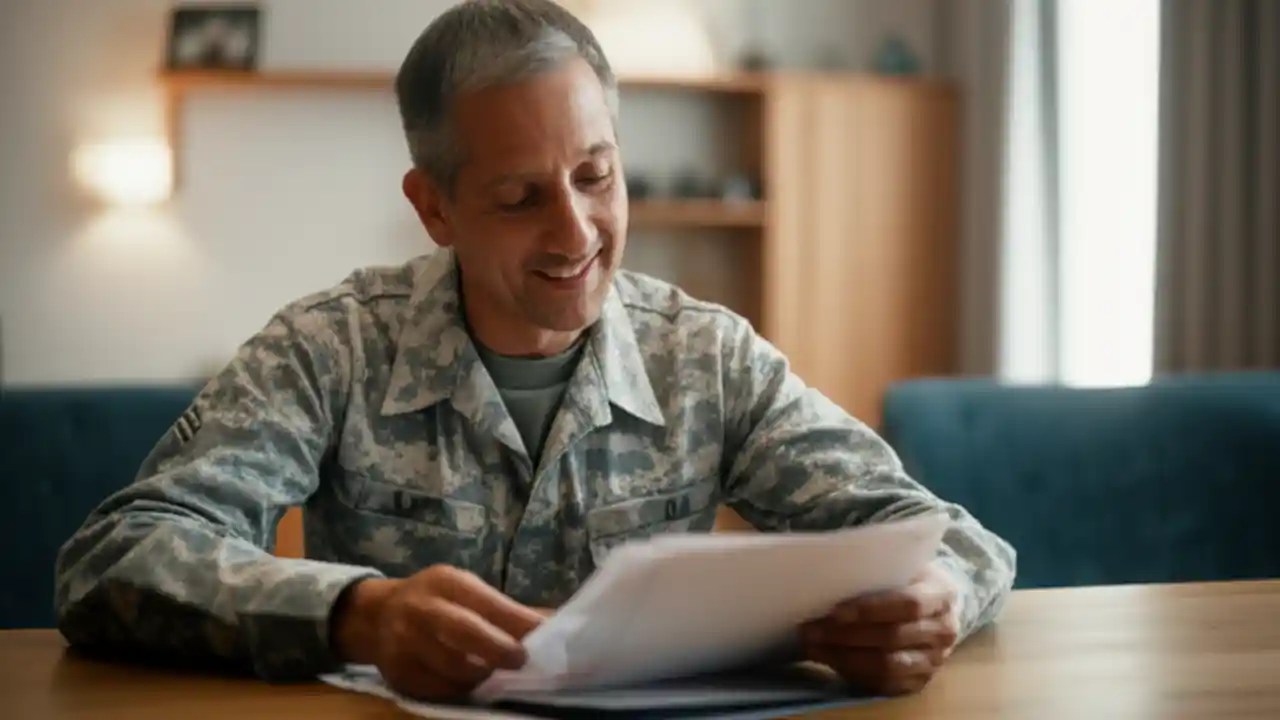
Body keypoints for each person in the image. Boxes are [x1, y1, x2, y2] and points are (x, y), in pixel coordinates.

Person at [55, 0, 1015, 701]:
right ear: (433, 207)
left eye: (597, 176)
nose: (576, 232)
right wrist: (358, 614)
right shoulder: (331, 346)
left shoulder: (708, 359)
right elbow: (112, 559)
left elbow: (949, 536)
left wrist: (933, 595)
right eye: (520, 200)